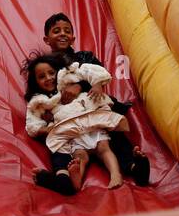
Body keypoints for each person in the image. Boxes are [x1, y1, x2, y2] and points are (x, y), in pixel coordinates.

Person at [42, 12, 151, 186]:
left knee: (113, 134)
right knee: (57, 141)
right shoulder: (46, 66)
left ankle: (133, 166)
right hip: (68, 116)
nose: (62, 33)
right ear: (47, 39)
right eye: (56, 31)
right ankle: (62, 176)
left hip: (92, 108)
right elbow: (41, 88)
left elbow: (99, 75)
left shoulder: (84, 58)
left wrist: (85, 86)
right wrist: (46, 110)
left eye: (67, 31)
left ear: (73, 38)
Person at [25, 54, 131, 190]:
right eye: (42, 76)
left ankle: (115, 175)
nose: (49, 78)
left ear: (58, 71)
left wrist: (97, 84)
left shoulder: (67, 78)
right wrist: (43, 129)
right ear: (36, 82)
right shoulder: (40, 101)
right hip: (71, 131)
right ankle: (74, 181)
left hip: (88, 120)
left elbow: (89, 71)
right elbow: (32, 121)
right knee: (79, 156)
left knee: (104, 148)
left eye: (51, 73)